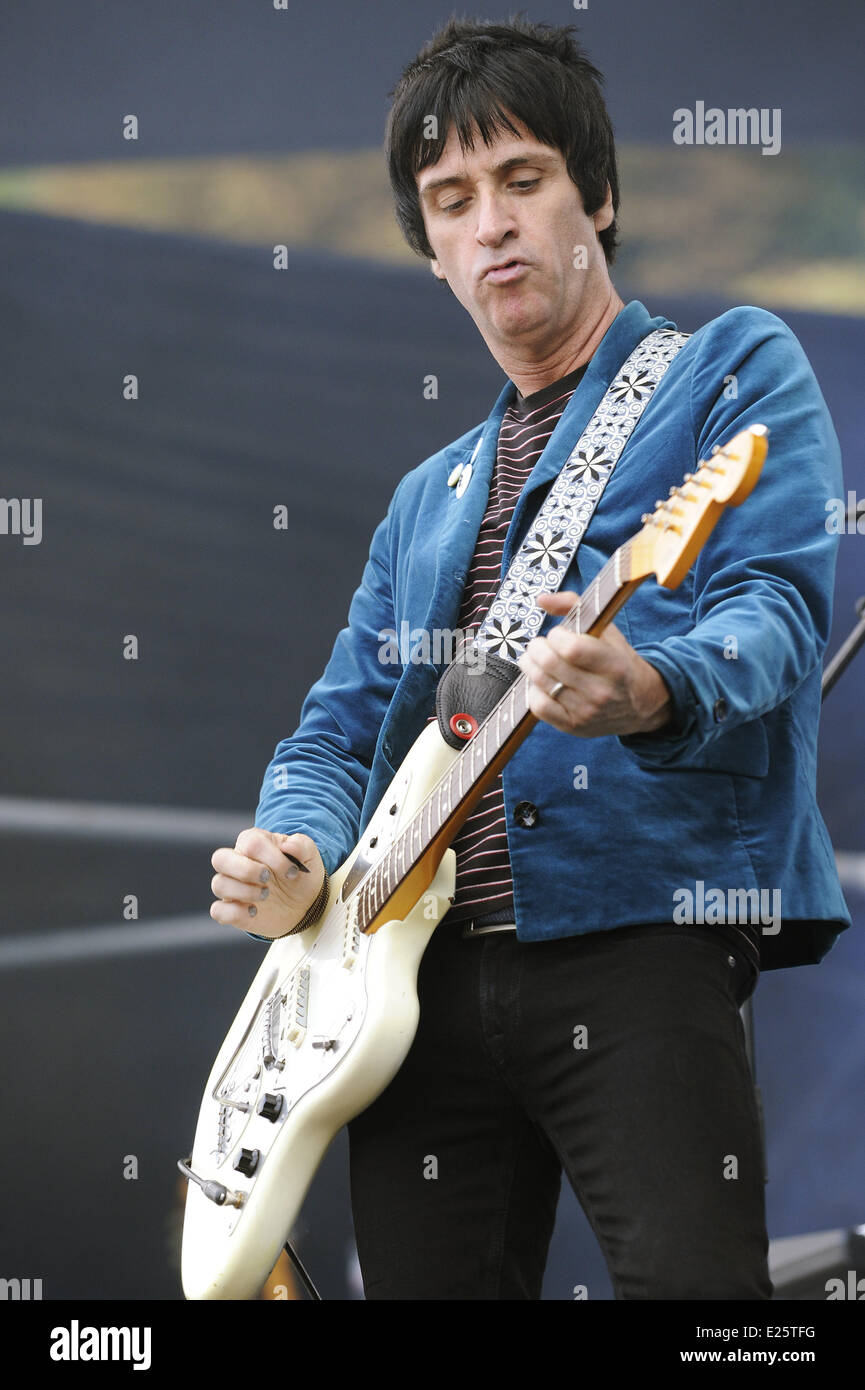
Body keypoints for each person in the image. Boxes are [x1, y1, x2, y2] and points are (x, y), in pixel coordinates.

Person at [208, 17, 851, 1299]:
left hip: (635, 942)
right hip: (408, 990)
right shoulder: (424, 499)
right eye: (451, 201)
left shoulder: (724, 371)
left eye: (522, 181)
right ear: (433, 254)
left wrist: (652, 686)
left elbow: (775, 607)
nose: (490, 223)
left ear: (595, 197)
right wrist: (294, 852)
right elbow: (338, 734)